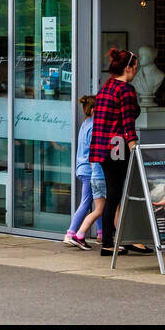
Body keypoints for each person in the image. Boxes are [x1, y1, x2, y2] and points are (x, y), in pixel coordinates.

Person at [91, 48, 153, 256]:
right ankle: (111, 241)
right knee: (120, 195)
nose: (136, 71)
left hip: (102, 150)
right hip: (118, 150)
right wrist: (135, 149)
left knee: (113, 195)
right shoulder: (126, 91)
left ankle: (114, 240)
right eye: (135, 67)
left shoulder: (106, 87)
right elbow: (128, 126)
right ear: (128, 68)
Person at [63, 95, 104, 250]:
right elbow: (94, 150)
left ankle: (100, 233)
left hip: (82, 168)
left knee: (98, 201)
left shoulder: (85, 123)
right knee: (87, 202)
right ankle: (71, 233)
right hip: (90, 170)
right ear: (94, 110)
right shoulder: (94, 126)